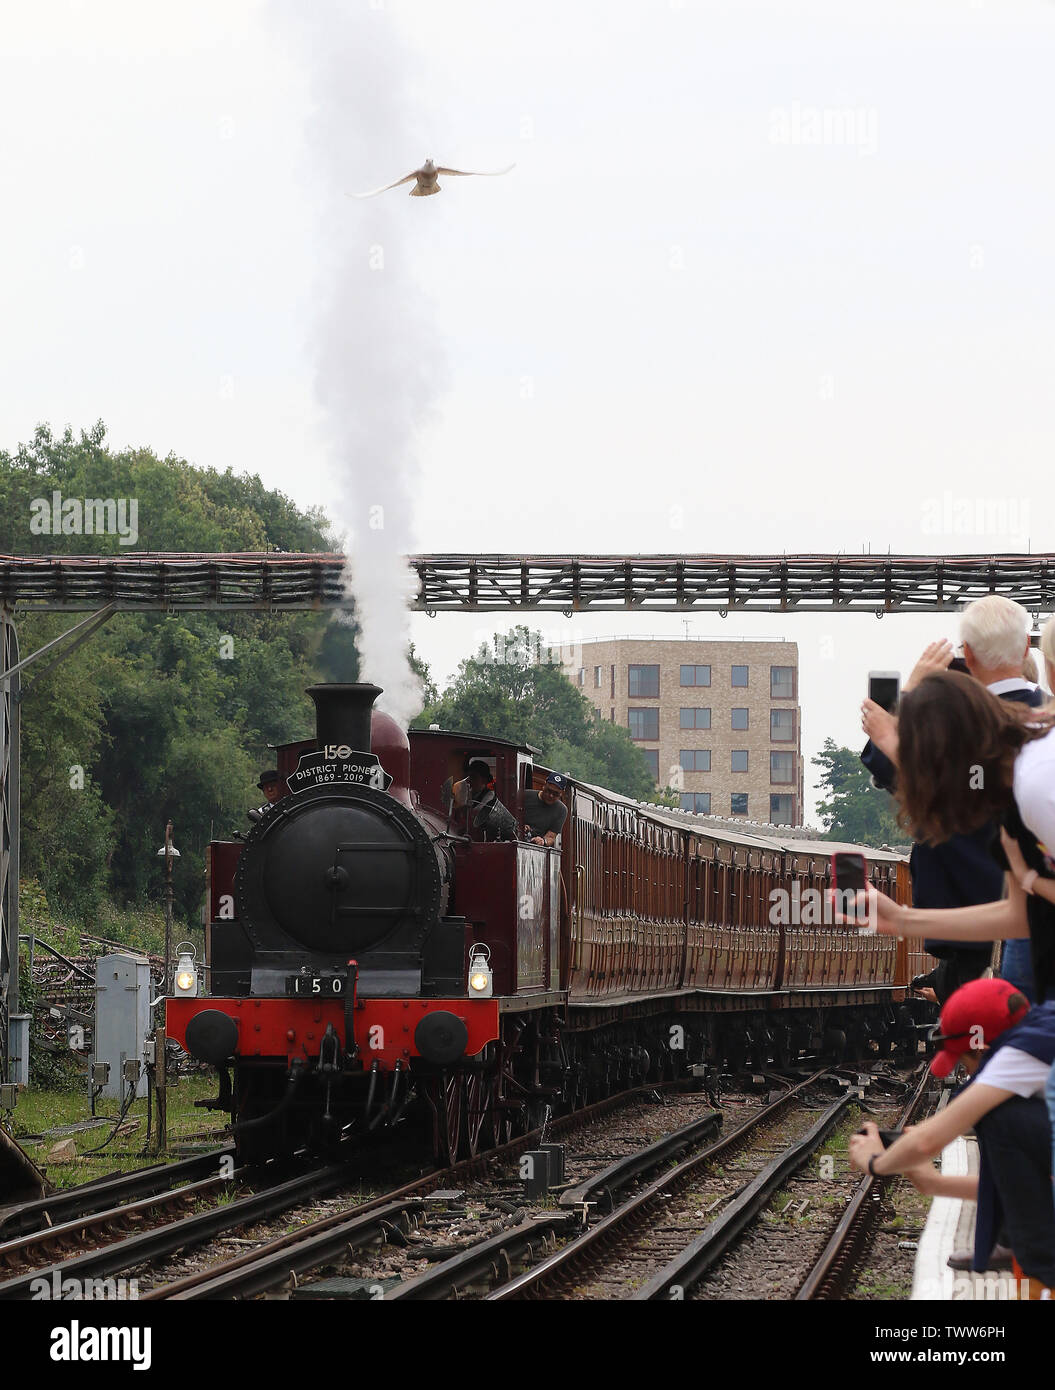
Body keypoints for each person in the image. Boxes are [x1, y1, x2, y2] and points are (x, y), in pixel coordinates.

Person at [862, 598, 1047, 1001]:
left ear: (969, 655)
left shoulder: (965, 726)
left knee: (1001, 1049)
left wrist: (908, 695)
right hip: (1013, 924)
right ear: (1024, 651)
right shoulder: (1043, 720)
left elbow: (890, 767)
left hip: (974, 932)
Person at [848, 977, 1055, 1295]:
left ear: (982, 1047)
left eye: (964, 1060)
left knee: (999, 1119)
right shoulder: (1039, 1036)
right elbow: (1032, 1186)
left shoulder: (1021, 1059)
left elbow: (928, 1142)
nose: (965, 1072)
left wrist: (876, 1161)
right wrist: (933, 1183)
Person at [454, 759, 518, 842]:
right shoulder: (468, 793)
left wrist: (465, 805)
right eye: (468, 777)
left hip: (484, 839)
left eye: (474, 777)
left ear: (484, 780)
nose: (469, 781)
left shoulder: (490, 796)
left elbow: (478, 812)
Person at [523, 772, 569, 847]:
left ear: (561, 794)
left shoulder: (561, 810)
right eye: (549, 791)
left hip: (538, 848)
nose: (551, 795)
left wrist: (543, 841)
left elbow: (551, 836)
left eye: (556, 794)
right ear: (544, 786)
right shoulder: (525, 795)